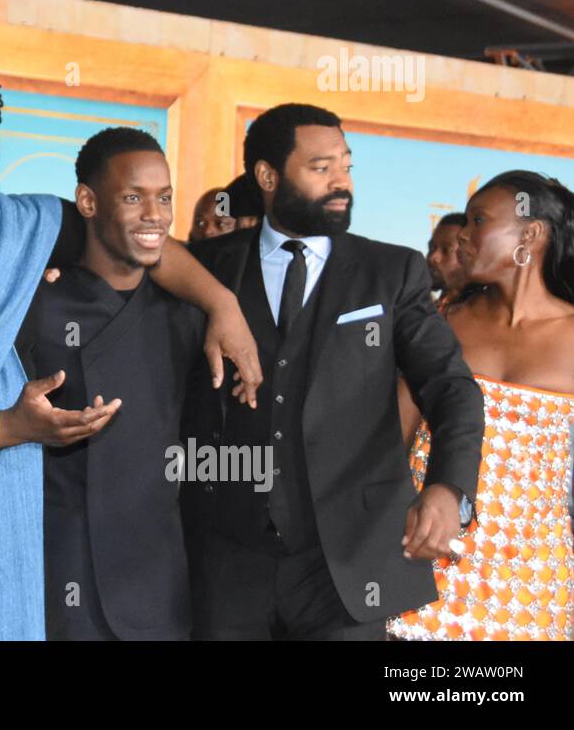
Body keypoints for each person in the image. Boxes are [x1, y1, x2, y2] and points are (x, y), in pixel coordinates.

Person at [0, 49, 263, 641]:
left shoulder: (25, 226)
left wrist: (222, 304)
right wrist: (8, 427)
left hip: (10, 540)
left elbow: (139, 241)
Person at [181, 103, 484, 640]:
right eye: (321, 168)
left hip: (348, 558)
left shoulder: (391, 271)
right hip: (228, 558)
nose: (341, 182)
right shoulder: (209, 268)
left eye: (346, 166)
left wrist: (448, 485)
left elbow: (451, 387)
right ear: (268, 176)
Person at [16, 128, 203, 640]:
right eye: (132, 197)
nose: (155, 214)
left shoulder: (188, 317)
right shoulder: (36, 304)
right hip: (57, 576)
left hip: (157, 585)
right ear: (88, 202)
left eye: (164, 197)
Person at [390, 171, 574, 640]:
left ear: (530, 235)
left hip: (530, 582)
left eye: (478, 221)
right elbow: (393, 435)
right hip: (424, 558)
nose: (463, 238)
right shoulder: (443, 321)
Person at [426, 212, 467, 313]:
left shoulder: (476, 317)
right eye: (432, 248)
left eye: (445, 250)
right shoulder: (428, 309)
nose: (433, 257)